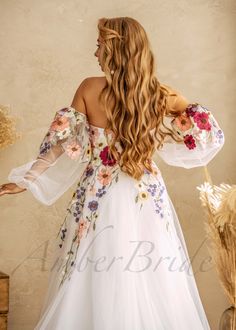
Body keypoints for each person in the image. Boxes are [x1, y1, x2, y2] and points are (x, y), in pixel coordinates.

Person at [0, 17, 224, 330]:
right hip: (145, 194)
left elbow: (60, 143)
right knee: (150, 271)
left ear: (115, 49)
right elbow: (206, 130)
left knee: (93, 271)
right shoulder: (160, 95)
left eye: (99, 45)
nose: (95, 53)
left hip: (97, 193)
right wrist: (26, 180)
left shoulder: (90, 88)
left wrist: (27, 179)